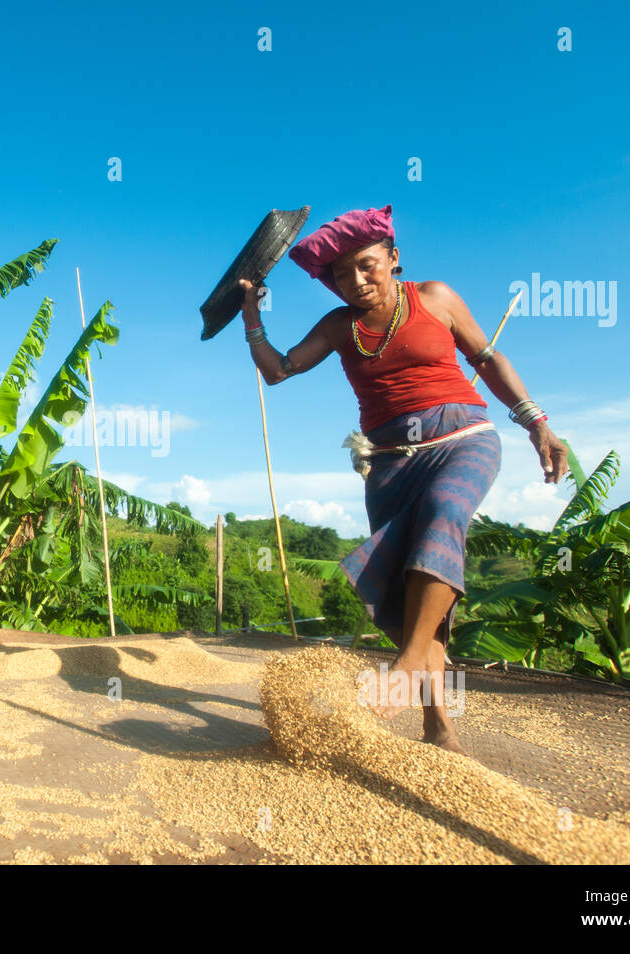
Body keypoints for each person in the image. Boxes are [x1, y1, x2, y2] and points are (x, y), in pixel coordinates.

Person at [239, 203, 568, 754]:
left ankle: (410, 664)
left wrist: (536, 423)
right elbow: (278, 371)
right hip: (389, 463)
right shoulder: (339, 327)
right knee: (406, 598)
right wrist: (252, 315)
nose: (355, 280)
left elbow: (487, 358)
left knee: (446, 510)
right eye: (341, 275)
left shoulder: (433, 298)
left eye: (366, 265)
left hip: (463, 439)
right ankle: (438, 724)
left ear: (393, 258)